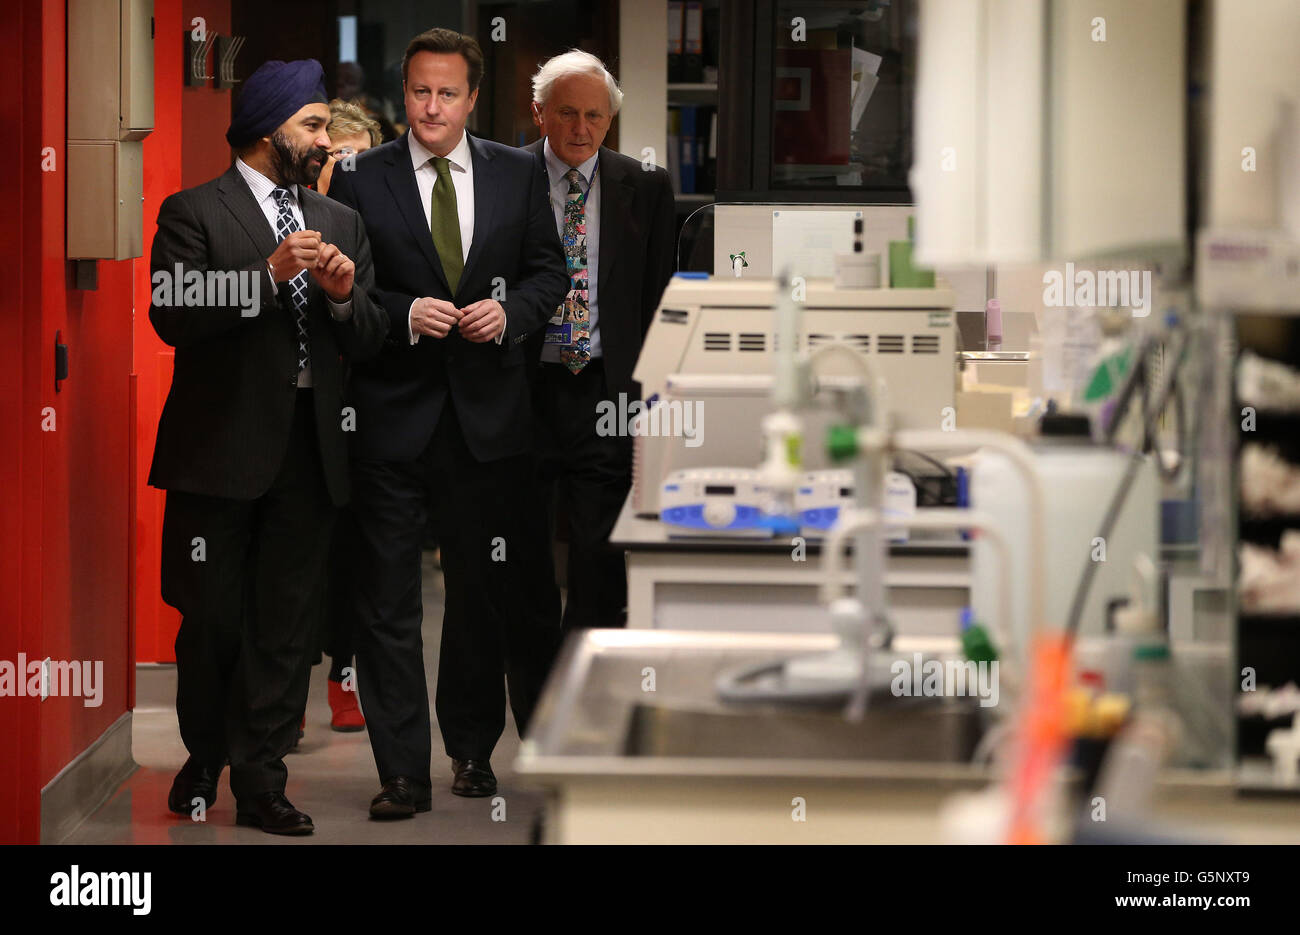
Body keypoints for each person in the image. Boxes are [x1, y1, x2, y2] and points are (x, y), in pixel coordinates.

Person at [327, 28, 568, 817]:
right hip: (390, 420)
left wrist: (509, 314)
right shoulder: (363, 177)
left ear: (472, 98)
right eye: (420, 92)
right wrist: (402, 313)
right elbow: (348, 293)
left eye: (447, 93)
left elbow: (548, 273)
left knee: (478, 595)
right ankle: (401, 770)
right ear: (406, 96)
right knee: (387, 601)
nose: (432, 107)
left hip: (487, 421)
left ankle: (470, 751)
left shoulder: (519, 171)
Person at [149, 59, 386, 835]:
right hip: (217, 455)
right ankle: (204, 754)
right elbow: (173, 307)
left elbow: (375, 333)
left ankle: (262, 781)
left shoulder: (340, 221)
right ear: (266, 128)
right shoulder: (193, 211)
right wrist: (266, 274)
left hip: (310, 454)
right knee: (211, 620)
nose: (324, 140)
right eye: (313, 124)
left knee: (285, 628)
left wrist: (348, 298)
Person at [520, 50, 676, 632]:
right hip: (526, 387)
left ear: (610, 120)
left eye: (595, 115)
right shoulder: (506, 177)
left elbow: (658, 298)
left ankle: (588, 690)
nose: (581, 129)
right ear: (539, 114)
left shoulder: (646, 186)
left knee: (599, 556)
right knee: (522, 554)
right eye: (566, 114)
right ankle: (535, 692)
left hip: (608, 394)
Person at [305, 98, 381, 736]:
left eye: (357, 155)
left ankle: (344, 678)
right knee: (302, 553)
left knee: (356, 553)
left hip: (366, 406)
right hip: (304, 406)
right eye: (336, 155)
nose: (344, 166)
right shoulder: (293, 219)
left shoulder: (373, 220)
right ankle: (287, 693)